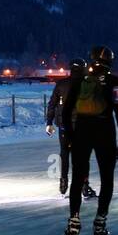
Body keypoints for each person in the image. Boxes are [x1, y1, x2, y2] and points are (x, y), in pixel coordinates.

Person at [60, 46, 118, 235]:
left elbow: (66, 112)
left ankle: (74, 220)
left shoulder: (81, 79)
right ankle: (100, 223)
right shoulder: (113, 81)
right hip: (104, 131)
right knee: (107, 178)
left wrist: (71, 136)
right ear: (110, 61)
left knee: (78, 177)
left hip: (82, 130)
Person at [46, 59, 94, 199]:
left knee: (64, 153)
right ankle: (84, 186)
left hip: (64, 126)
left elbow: (52, 104)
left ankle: (63, 182)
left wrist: (49, 122)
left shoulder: (61, 84)